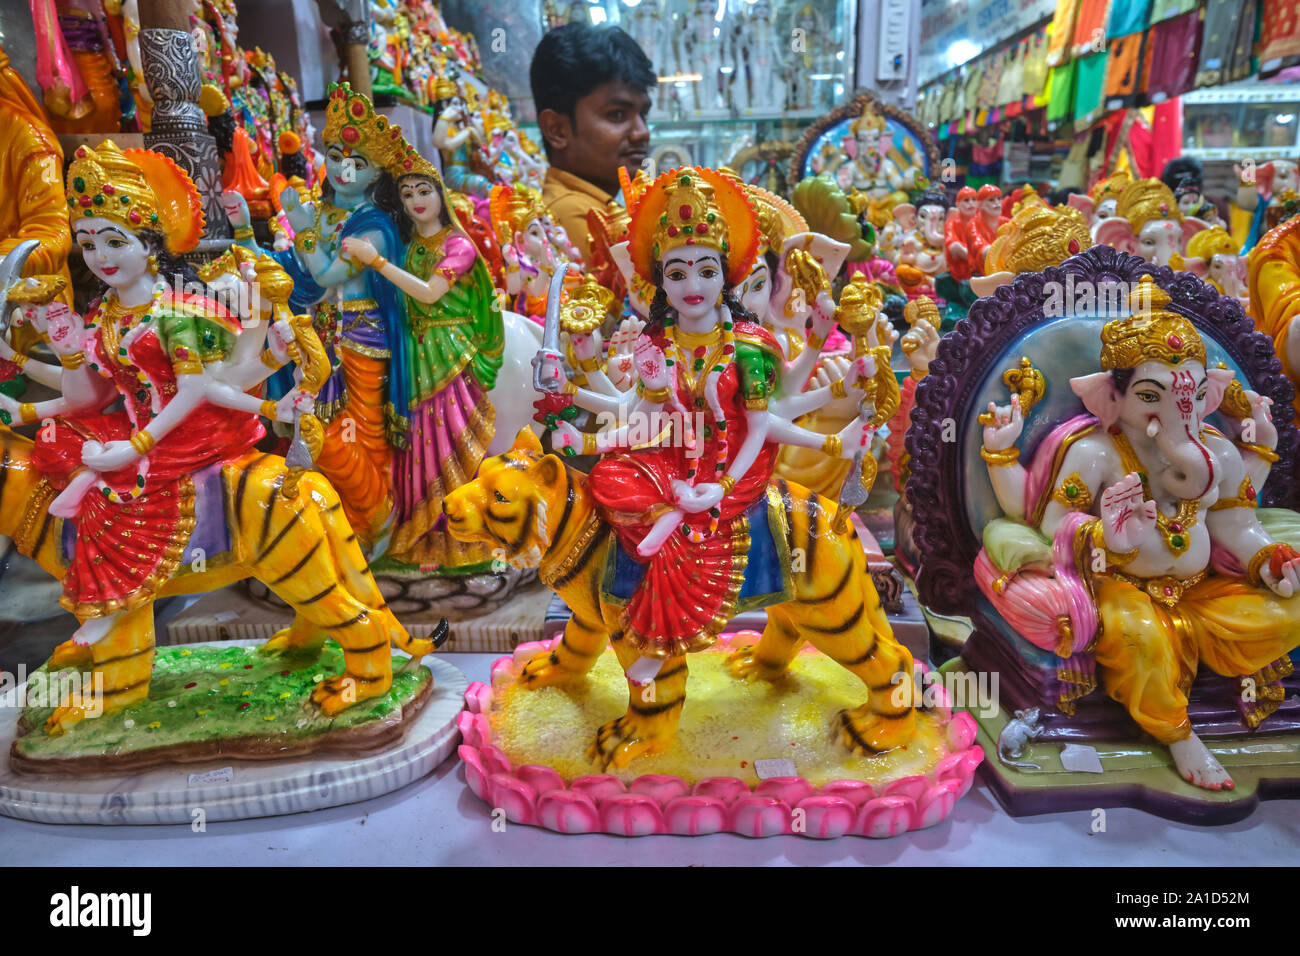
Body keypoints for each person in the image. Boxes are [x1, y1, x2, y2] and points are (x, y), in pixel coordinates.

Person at [341, 141, 503, 567]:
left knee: (449, 436)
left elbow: (430, 293)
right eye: (408, 194)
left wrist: (374, 260)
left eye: (424, 191)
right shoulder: (407, 243)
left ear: (441, 196)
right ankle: (419, 536)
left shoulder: (459, 247)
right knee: (415, 443)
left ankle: (463, 537)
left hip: (450, 354)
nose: (416, 201)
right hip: (412, 352)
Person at [530, 21, 654, 261]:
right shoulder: (573, 217)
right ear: (557, 130)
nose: (642, 132)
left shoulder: (597, 208)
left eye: (643, 115)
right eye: (617, 114)